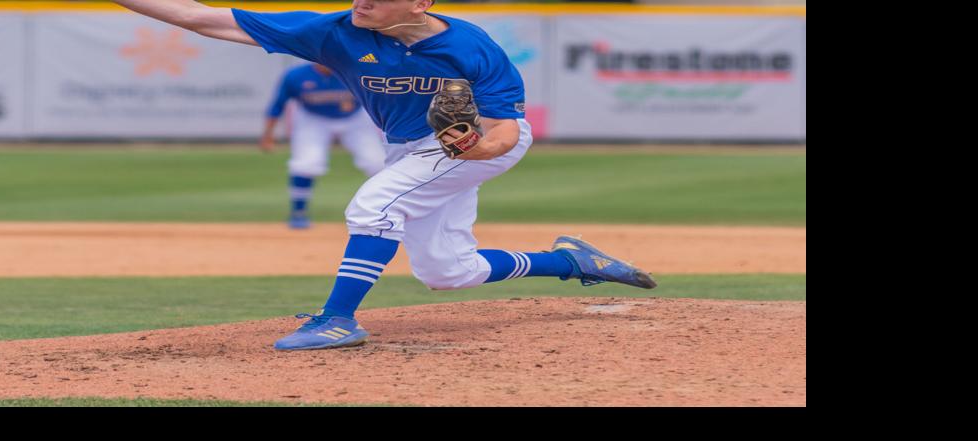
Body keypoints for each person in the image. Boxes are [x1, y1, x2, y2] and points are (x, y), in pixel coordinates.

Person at [111, 0, 656, 351]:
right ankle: (570, 261)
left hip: (480, 143)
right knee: (447, 271)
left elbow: (506, 132)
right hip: (412, 148)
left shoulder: (470, 47)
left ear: (421, 3)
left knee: (376, 206)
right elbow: (200, 18)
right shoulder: (335, 32)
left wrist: (473, 150)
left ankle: (338, 319)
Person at [261, 63, 387, 229]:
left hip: (355, 119)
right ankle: (298, 212)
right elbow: (277, 105)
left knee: (377, 163)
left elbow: (382, 98)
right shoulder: (296, 76)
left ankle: (387, 211)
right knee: (306, 163)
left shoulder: (354, 70)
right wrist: (268, 134)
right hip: (313, 119)